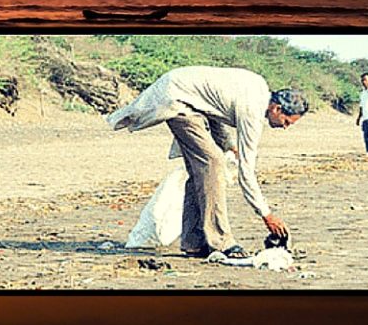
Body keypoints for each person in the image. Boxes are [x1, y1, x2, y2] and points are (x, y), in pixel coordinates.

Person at [106, 66, 309, 259]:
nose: (285, 128)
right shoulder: (253, 109)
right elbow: (246, 172)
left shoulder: (258, 90)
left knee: (202, 171)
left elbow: (213, 109)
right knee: (213, 163)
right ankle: (222, 241)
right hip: (176, 98)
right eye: (286, 122)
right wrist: (266, 214)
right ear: (277, 108)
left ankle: (193, 242)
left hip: (187, 98)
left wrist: (229, 145)